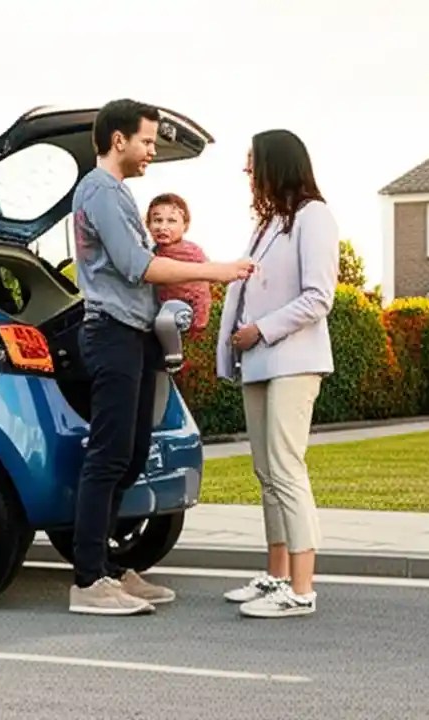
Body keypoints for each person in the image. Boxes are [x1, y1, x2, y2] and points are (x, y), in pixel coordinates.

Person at [69, 99, 254, 616]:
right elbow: (135, 265)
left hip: (135, 336)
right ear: (118, 140)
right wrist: (212, 271)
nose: (152, 150)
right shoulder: (101, 191)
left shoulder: (119, 193)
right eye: (147, 141)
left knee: (130, 455)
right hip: (112, 333)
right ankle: (88, 582)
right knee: (107, 455)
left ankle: (108, 569)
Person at [215, 129, 339, 619]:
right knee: (266, 472)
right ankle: (277, 575)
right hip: (259, 361)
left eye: (253, 162)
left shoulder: (315, 217)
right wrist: (235, 351)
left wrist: (260, 331)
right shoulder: (268, 224)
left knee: (286, 467)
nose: (247, 171)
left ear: (276, 164)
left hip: (293, 359)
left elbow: (318, 297)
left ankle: (302, 590)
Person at [147, 193, 211, 337]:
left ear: (185, 226)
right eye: (157, 220)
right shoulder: (148, 254)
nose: (163, 227)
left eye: (171, 221)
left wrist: (199, 321)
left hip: (184, 316)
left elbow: (201, 289)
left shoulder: (192, 253)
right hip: (154, 319)